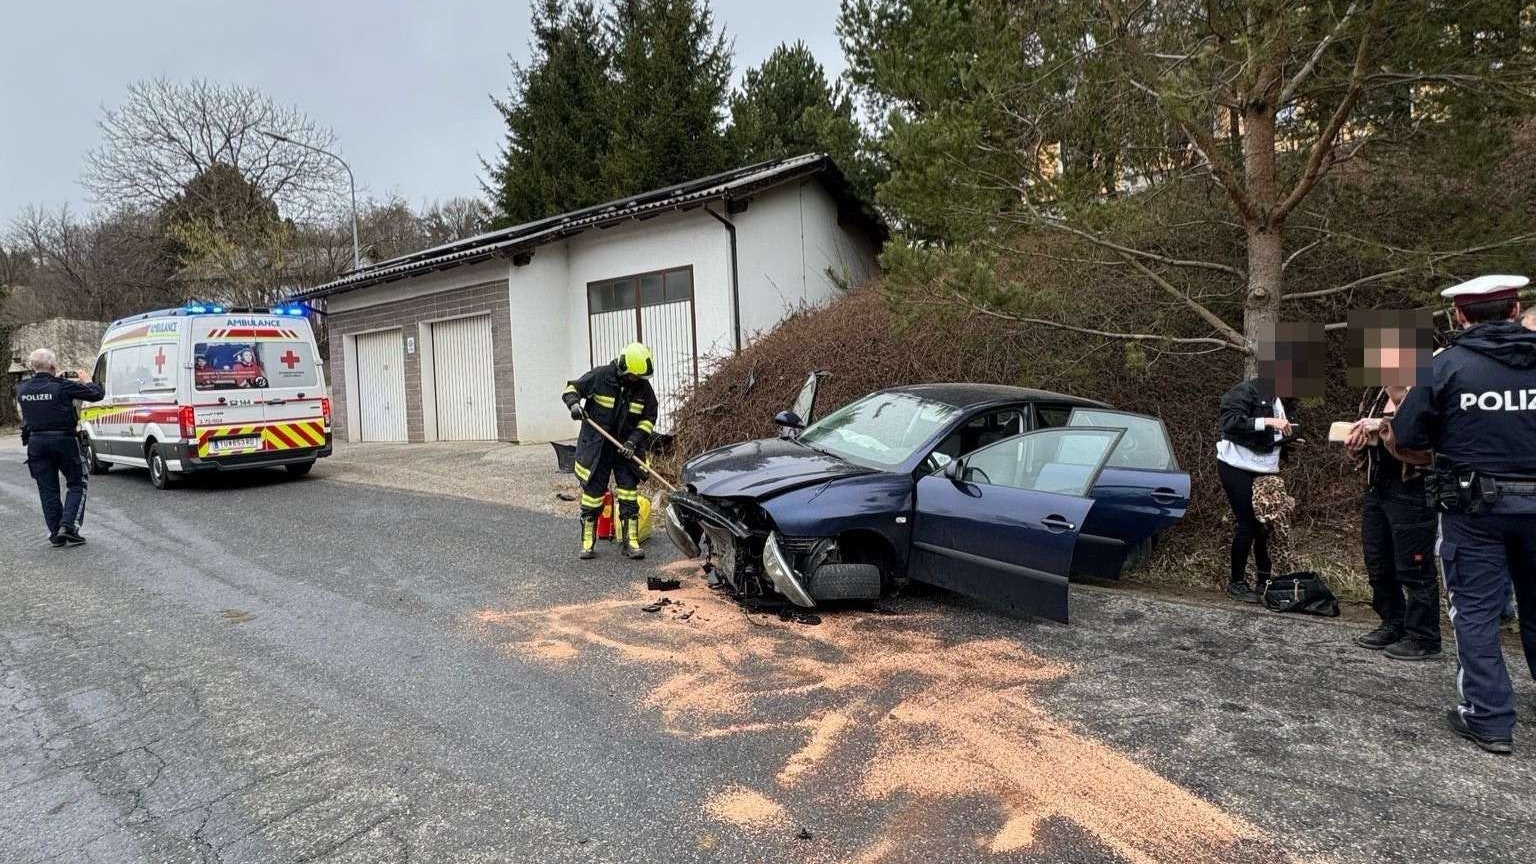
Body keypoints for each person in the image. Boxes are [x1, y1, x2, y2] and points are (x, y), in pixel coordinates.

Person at [1393, 274, 1536, 755]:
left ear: (1459, 314)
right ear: (1515, 309)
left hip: (1474, 510)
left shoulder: (1446, 366)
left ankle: (1489, 718)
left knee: (1475, 613)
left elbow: (1408, 434)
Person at [1346, 386, 1440, 660]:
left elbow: (1429, 445)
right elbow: (1366, 444)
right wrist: (1355, 447)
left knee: (1414, 567)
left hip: (1413, 490)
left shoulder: (1425, 392)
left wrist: (1384, 426)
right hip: (1376, 487)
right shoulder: (1374, 393)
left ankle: (1424, 636)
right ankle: (1393, 622)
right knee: (1378, 563)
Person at [561, 342, 659, 560]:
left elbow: (649, 417)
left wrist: (633, 442)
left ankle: (630, 541)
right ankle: (588, 541)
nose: (636, 380)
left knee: (628, 493)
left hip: (626, 449)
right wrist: (574, 405)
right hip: (598, 447)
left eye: (639, 377)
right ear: (624, 368)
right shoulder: (600, 377)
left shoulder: (643, 388)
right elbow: (572, 388)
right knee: (593, 496)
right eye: (633, 376)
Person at [17, 348, 106, 546]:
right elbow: (97, 394)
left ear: (32, 367)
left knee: (47, 490)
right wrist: (86, 380)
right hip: (64, 440)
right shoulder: (63, 386)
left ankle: (56, 533)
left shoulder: (22, 389)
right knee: (77, 482)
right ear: (52, 366)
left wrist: (52, 378)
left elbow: (41, 397)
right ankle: (69, 526)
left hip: (36, 443)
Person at [1216, 377, 1294, 603]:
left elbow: (1274, 435)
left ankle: (1264, 582)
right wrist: (1267, 421)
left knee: (1266, 523)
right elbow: (1230, 423)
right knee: (1247, 523)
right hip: (1236, 464)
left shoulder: (1284, 400)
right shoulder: (1244, 391)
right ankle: (1236, 583)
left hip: (1266, 467)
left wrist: (1289, 442)